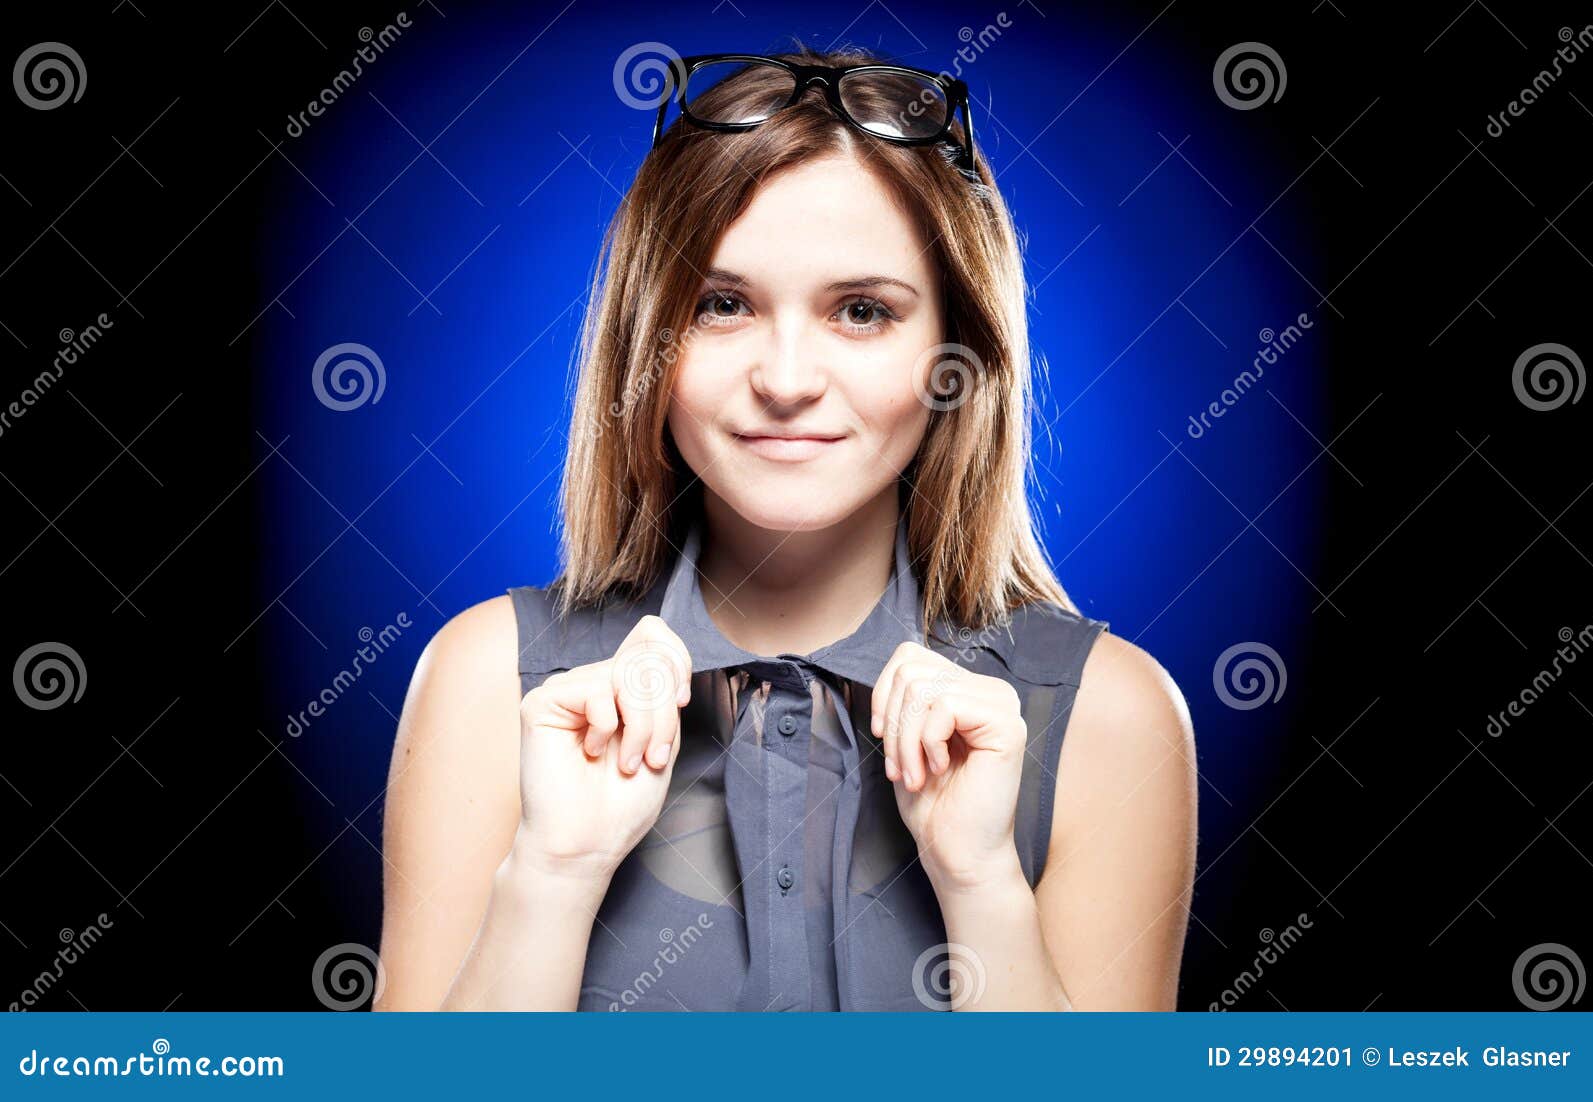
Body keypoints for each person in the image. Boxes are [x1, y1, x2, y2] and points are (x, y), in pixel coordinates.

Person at [375, 46, 1196, 1011]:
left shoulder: (1112, 716)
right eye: (723, 305)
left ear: (956, 353)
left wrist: (980, 890)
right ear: (651, 339)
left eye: (861, 311)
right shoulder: (484, 683)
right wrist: (553, 877)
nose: (787, 378)